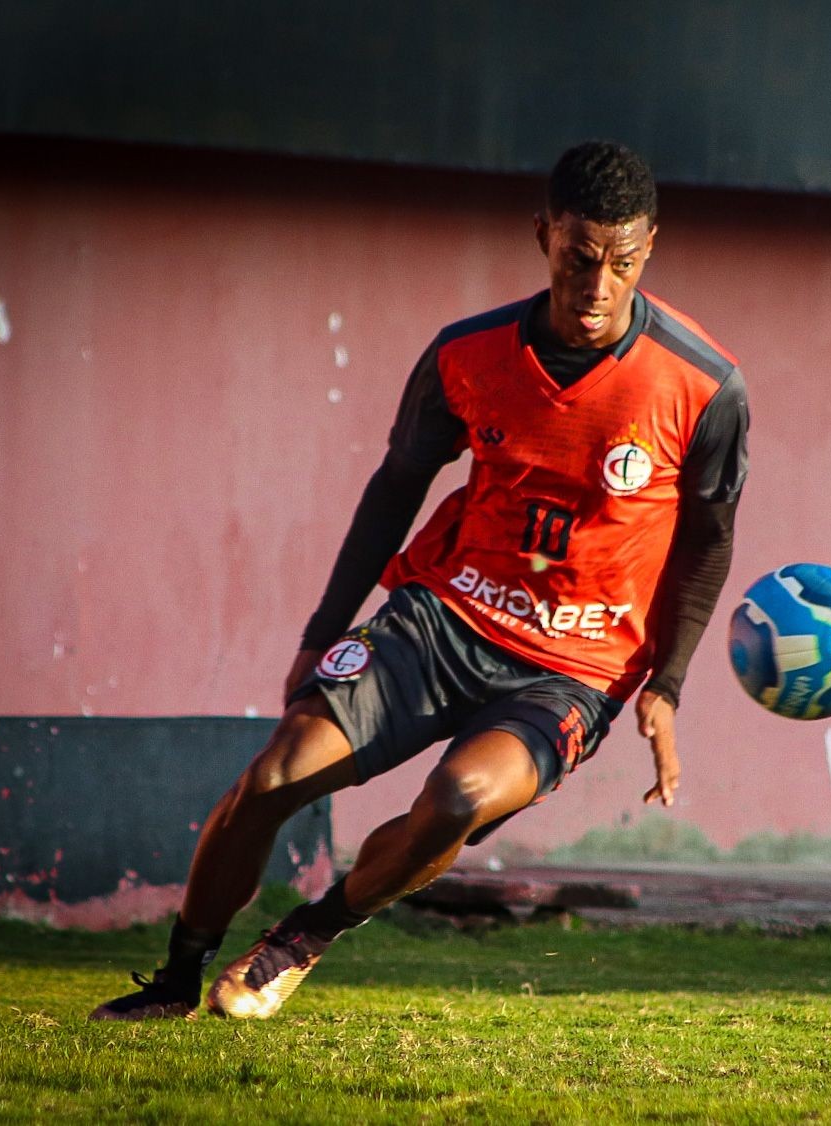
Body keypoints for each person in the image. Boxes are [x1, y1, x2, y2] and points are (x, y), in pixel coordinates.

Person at [90, 141, 749, 1020]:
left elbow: (709, 540)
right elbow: (395, 488)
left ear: (650, 249)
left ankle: (306, 936)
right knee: (273, 777)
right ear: (545, 235)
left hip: (575, 669)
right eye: (579, 257)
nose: (597, 287)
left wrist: (665, 685)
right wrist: (323, 631)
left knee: (458, 799)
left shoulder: (703, 386)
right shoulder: (466, 355)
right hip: (440, 622)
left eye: (621, 264)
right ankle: (174, 980)